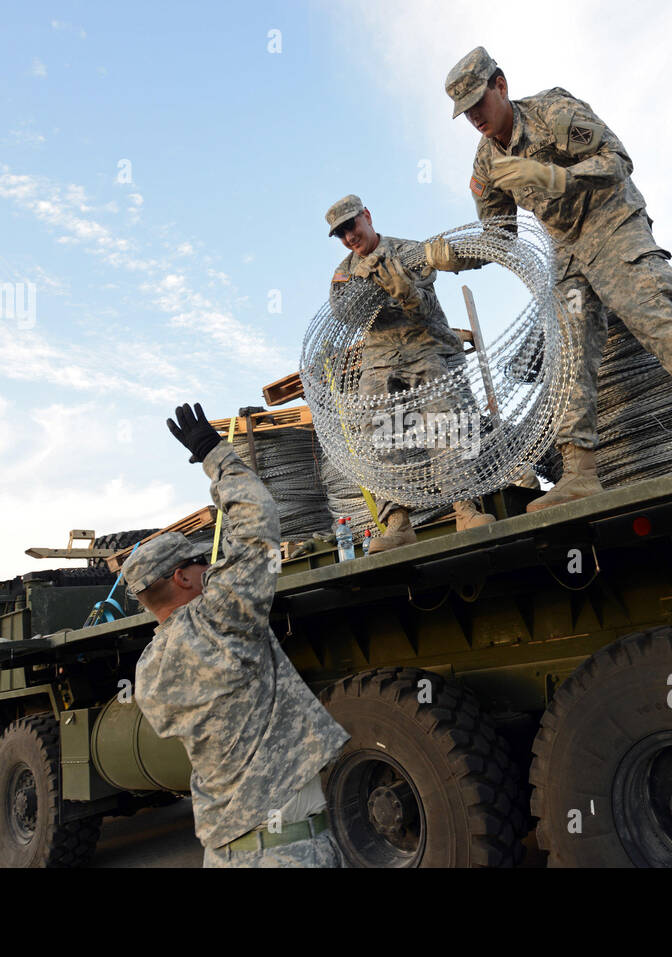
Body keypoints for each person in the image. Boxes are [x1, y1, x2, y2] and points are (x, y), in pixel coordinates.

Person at [428, 47, 672, 512]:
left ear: (501, 85)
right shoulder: (485, 166)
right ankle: (579, 474)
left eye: (480, 101)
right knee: (569, 358)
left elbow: (617, 160)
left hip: (611, 222)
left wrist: (554, 176)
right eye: (466, 111)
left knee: (652, 313)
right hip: (568, 252)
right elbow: (502, 236)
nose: (475, 115)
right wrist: (457, 255)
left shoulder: (553, 111)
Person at [126, 402, 350, 867]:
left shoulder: (147, 672)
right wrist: (215, 454)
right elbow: (257, 522)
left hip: (224, 851)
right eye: (200, 563)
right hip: (286, 852)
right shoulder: (222, 617)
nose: (210, 569)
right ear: (183, 578)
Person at [327, 194, 497, 551]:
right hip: (382, 356)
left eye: (351, 227)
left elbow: (426, 308)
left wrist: (405, 292)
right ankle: (397, 524)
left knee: (447, 419)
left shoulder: (410, 252)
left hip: (426, 344)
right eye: (341, 234)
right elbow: (345, 315)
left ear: (367, 217)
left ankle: (465, 508)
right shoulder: (344, 275)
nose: (349, 238)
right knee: (379, 431)